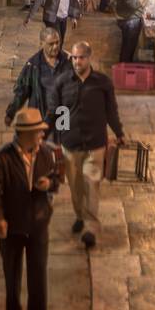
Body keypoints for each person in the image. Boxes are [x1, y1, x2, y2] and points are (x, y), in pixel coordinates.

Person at [0, 107, 61, 310]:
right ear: (24, 133)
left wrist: (49, 184)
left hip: (38, 224)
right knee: (12, 274)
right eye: (37, 132)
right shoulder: (3, 158)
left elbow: (56, 177)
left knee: (38, 274)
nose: (41, 136)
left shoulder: (46, 154)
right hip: (12, 225)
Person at [49, 41, 124, 249]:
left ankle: (91, 227)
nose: (77, 61)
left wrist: (119, 132)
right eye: (74, 57)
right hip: (71, 144)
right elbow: (58, 111)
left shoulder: (102, 83)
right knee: (75, 187)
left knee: (92, 184)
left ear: (89, 58)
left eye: (81, 57)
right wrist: (59, 136)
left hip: (95, 144)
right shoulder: (62, 82)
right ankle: (80, 215)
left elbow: (111, 111)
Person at [4, 26, 72, 127]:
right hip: (40, 115)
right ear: (41, 44)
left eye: (57, 42)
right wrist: (11, 113)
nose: (55, 46)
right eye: (51, 44)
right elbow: (22, 91)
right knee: (39, 141)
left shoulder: (68, 61)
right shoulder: (33, 65)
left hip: (62, 117)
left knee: (61, 141)